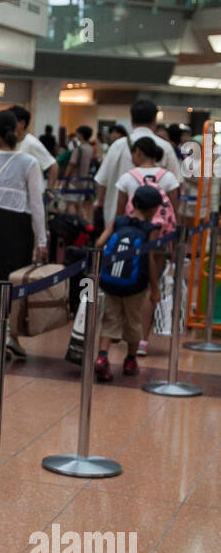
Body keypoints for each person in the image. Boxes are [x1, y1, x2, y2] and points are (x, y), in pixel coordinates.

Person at [0, 109, 48, 360]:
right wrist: (42, 240)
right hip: (19, 225)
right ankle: (11, 336)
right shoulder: (29, 162)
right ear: (17, 129)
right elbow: (37, 204)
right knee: (15, 280)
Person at [108, 134, 180, 356]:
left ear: (138, 152)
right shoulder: (168, 177)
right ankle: (142, 341)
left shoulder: (128, 178)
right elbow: (174, 212)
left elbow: (119, 213)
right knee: (151, 286)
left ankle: (121, 332)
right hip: (158, 239)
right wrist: (175, 246)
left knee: (127, 285)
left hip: (131, 240)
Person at [95, 186, 162, 382]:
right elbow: (149, 260)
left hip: (109, 282)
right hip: (135, 285)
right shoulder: (150, 230)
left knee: (110, 319)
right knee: (133, 321)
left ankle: (102, 357)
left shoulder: (118, 221)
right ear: (152, 210)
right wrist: (155, 289)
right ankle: (130, 360)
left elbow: (99, 243)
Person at [94, 98, 181, 230]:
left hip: (118, 222)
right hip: (156, 225)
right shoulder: (165, 147)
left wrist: (100, 205)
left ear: (131, 119)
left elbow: (102, 181)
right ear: (154, 120)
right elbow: (176, 184)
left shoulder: (117, 146)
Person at [12, 106, 59, 190]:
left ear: (22, 123)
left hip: (32, 195)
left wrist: (49, 189)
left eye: (11, 122)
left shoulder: (31, 143)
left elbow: (53, 165)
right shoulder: (10, 141)